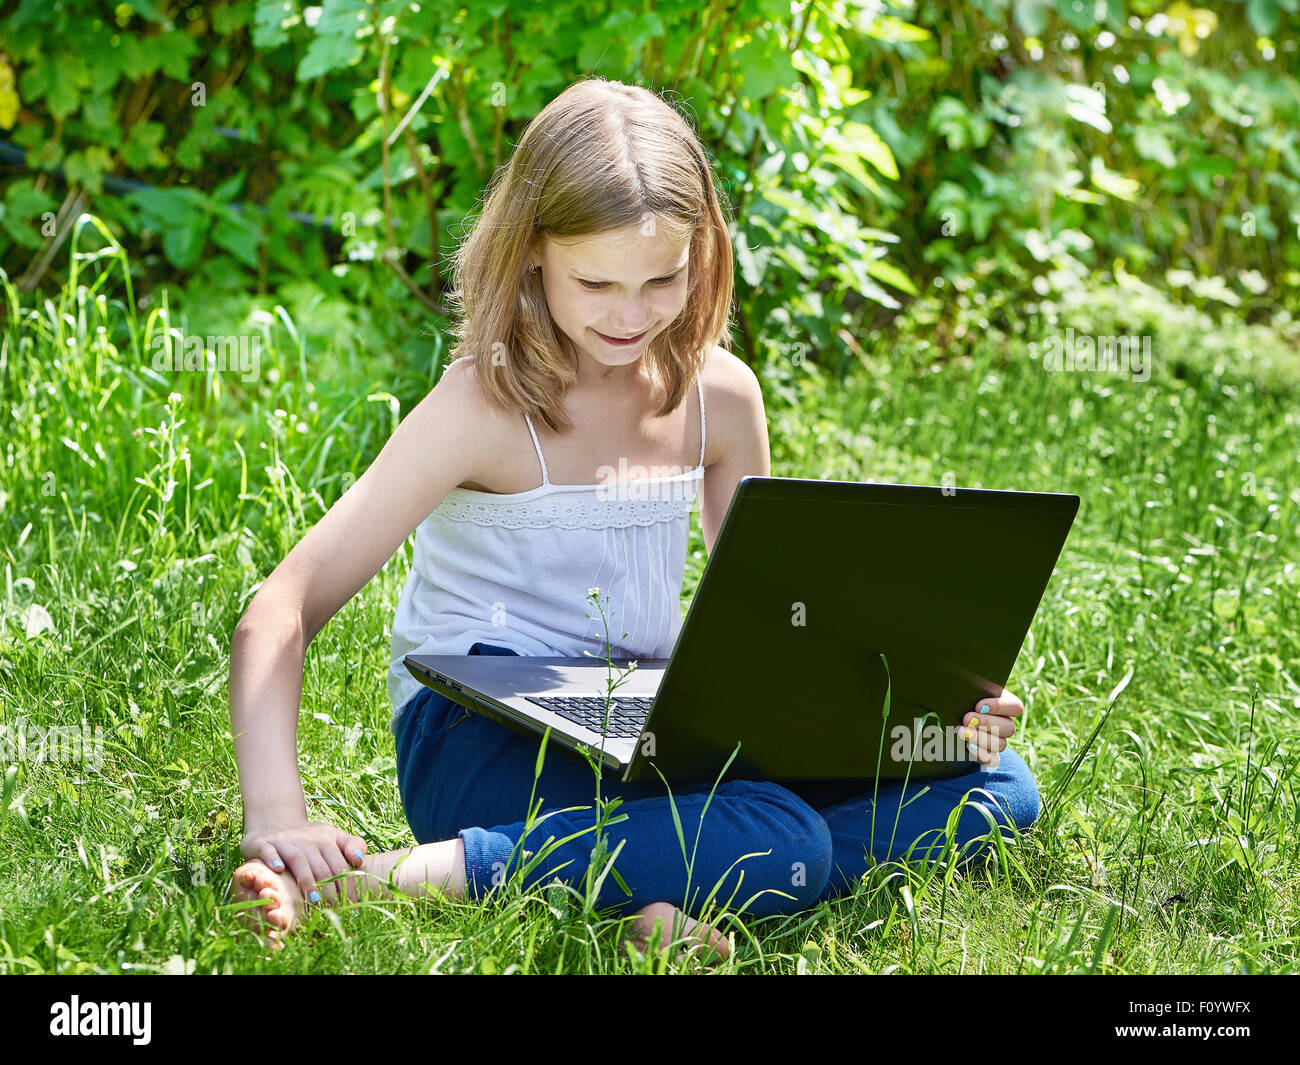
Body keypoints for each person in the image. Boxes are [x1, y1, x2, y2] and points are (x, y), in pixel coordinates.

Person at [228, 76, 1040, 963]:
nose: (629, 315)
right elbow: (282, 607)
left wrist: (913, 709)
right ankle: (384, 877)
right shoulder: (483, 405)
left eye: (662, 279)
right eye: (596, 281)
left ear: (706, 252)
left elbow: (781, 637)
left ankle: (636, 890)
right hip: (480, 735)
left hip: (642, 723)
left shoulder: (721, 399)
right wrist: (277, 817)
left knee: (999, 785)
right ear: (532, 251)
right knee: (783, 833)